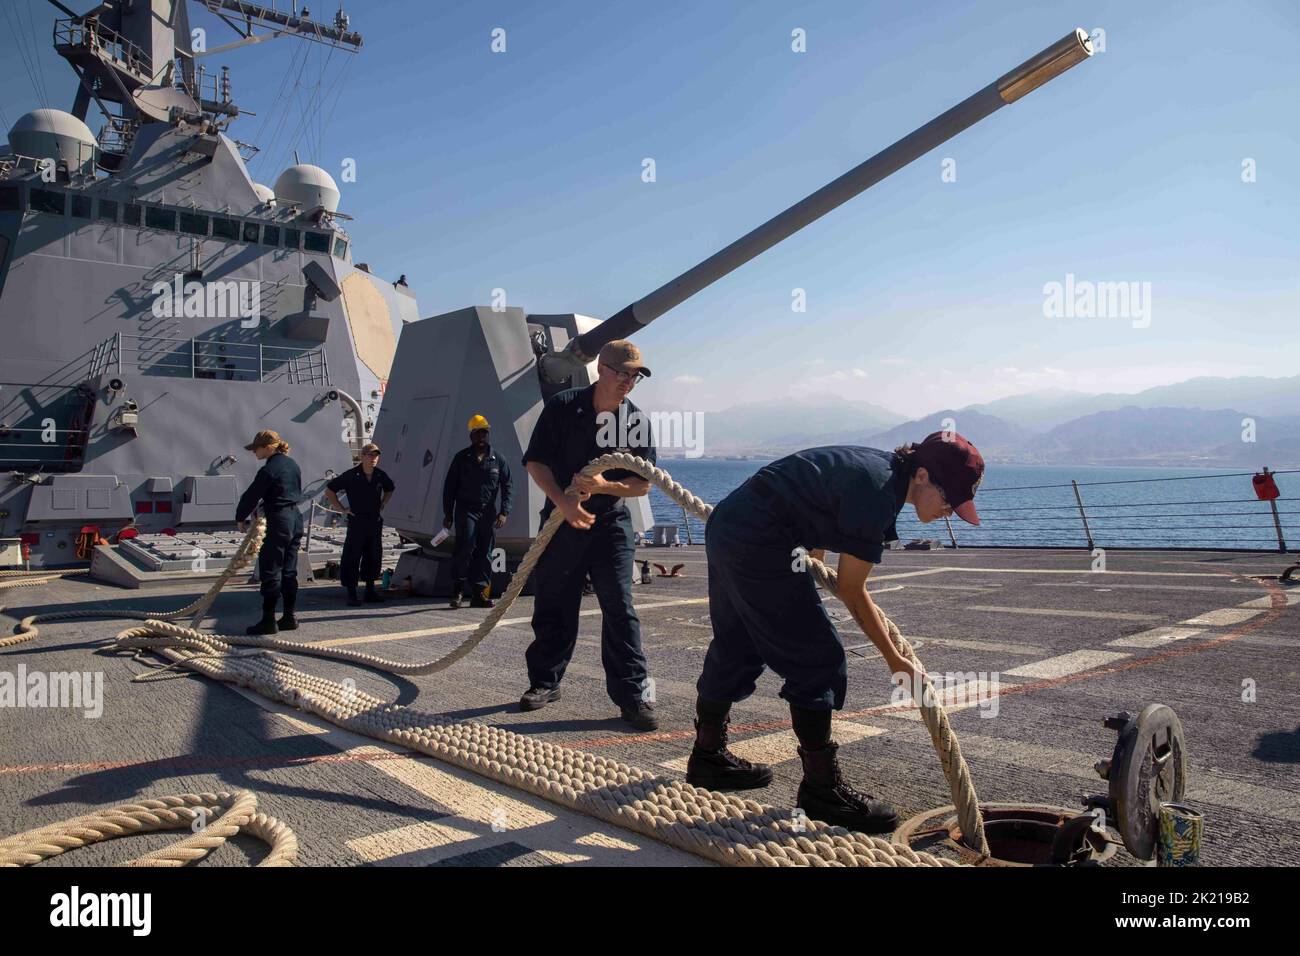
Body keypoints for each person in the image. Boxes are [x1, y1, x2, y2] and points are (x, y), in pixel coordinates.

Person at [681, 432, 985, 834]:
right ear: (924, 475)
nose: (950, 512)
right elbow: (852, 590)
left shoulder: (879, 470)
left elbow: (814, 506)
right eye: (950, 500)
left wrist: (813, 560)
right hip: (761, 540)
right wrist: (897, 662)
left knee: (739, 643)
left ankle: (708, 758)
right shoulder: (878, 493)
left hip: (732, 526)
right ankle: (821, 790)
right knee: (819, 660)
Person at [519, 340, 659, 730]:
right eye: (623, 373)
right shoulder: (563, 407)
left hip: (610, 525)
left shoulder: (637, 422)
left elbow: (641, 485)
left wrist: (601, 487)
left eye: (636, 376)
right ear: (602, 369)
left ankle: (633, 695)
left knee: (620, 605)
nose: (629, 382)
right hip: (562, 521)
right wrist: (563, 504)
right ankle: (545, 682)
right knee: (554, 601)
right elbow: (536, 462)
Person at [235, 429, 306, 635]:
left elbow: (251, 495)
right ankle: (290, 617)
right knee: (289, 571)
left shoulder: (269, 469)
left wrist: (241, 517)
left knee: (271, 570)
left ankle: (268, 621)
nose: (253, 452)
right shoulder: (293, 465)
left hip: (277, 521)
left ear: (267, 447)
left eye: (255, 448)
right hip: (295, 519)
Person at [441, 415, 513, 609]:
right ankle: (457, 590)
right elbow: (449, 488)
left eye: (484, 432)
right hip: (466, 511)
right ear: (471, 436)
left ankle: (478, 593)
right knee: (464, 548)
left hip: (488, 512)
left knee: (485, 552)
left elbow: (508, 486)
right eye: (477, 433)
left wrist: (504, 512)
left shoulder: (498, 459)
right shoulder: (461, 458)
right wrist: (448, 514)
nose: (481, 436)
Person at [324, 441, 395, 606]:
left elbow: (390, 488)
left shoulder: (379, 475)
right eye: (370, 455)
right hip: (357, 521)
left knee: (373, 555)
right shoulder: (351, 475)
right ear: (362, 456)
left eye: (376, 455)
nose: (373, 458)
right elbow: (330, 491)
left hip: (374, 520)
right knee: (352, 555)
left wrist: (383, 503)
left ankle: (370, 590)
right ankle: (351, 592)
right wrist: (342, 509)